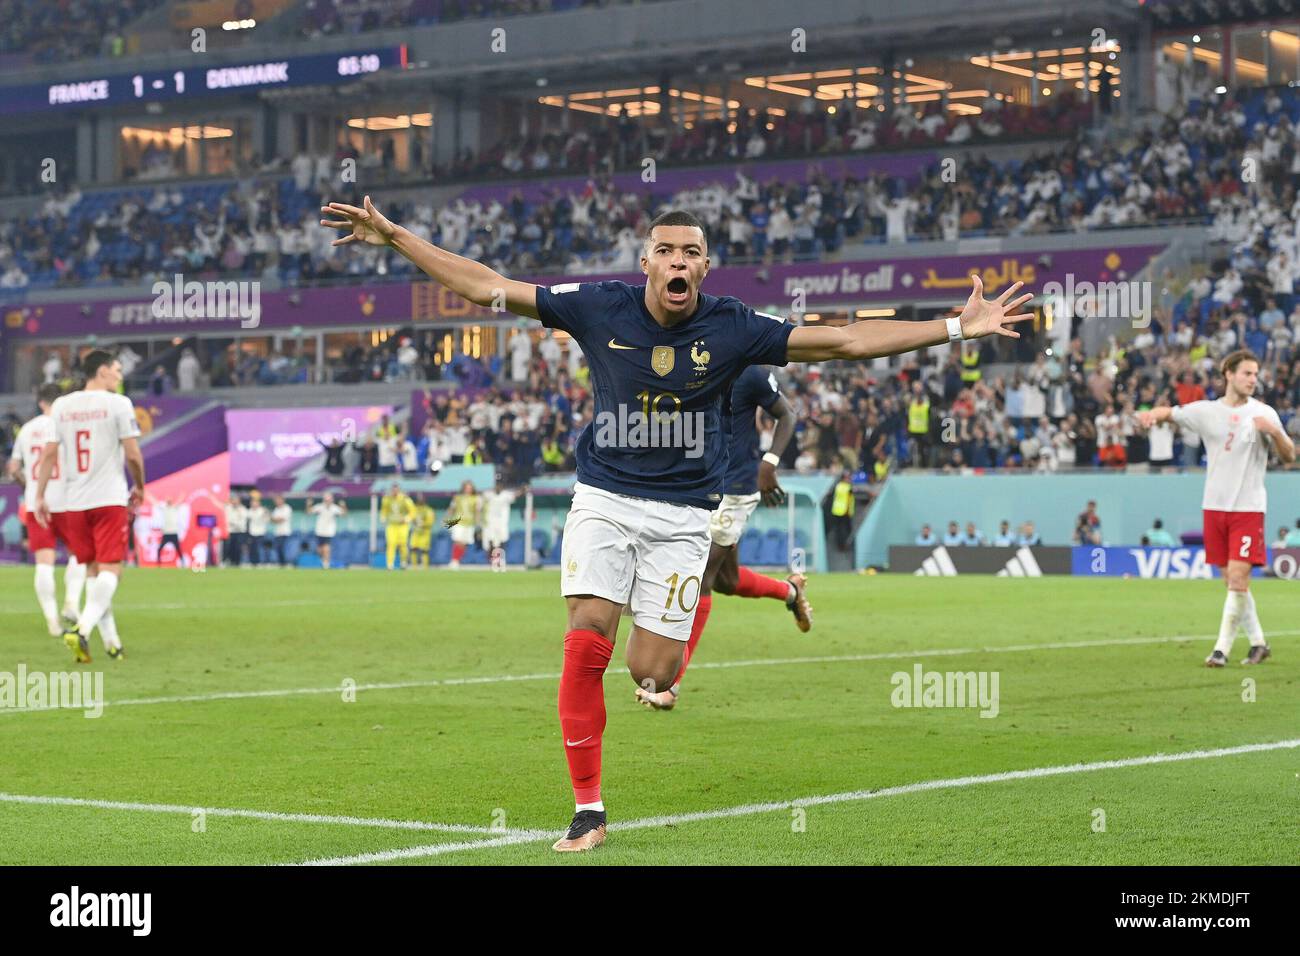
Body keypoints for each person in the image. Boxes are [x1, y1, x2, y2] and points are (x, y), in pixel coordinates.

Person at [319, 196, 1031, 852]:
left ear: (706, 266)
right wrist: (393, 234)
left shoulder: (735, 329)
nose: (678, 262)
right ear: (648, 262)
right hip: (604, 497)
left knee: (651, 670)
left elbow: (843, 344)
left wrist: (952, 327)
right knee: (586, 634)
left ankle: (664, 618)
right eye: (666, 250)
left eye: (691, 251)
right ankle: (589, 811)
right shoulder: (599, 307)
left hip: (685, 515)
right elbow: (486, 287)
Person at [637, 364, 810, 711]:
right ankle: (791, 591)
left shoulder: (749, 371)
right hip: (701, 486)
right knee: (727, 580)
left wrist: (769, 464)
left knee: (701, 577)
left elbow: (787, 415)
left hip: (736, 490)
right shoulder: (689, 365)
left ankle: (671, 685)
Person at [1138, 350, 1296, 666]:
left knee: (1238, 580)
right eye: (1247, 373)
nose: (1253, 379)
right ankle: (1259, 643)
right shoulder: (1207, 411)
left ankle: (1220, 650)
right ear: (1229, 374)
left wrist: (1276, 433)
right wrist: (1151, 415)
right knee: (1232, 583)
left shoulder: (1263, 413)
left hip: (1248, 510)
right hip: (1213, 508)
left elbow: (1290, 456)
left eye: (1255, 374)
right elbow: (1171, 413)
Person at [34, 351, 144, 663]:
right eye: (117, 369)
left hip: (73, 503)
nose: (120, 376)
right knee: (112, 570)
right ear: (102, 370)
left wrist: (39, 496)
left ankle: (112, 644)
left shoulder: (63, 406)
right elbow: (133, 455)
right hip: (108, 498)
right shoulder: (118, 404)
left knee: (96, 573)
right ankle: (82, 629)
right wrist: (140, 485)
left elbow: (49, 454)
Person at [7, 383, 86, 636]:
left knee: (44, 563)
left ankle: (52, 621)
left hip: (36, 502)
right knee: (79, 555)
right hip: (66, 500)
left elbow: (13, 468)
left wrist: (29, 487)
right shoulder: (66, 425)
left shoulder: (27, 430)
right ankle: (72, 602)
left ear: (41, 402)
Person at [480, 482, 516, 571]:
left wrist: (523, 489)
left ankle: (501, 562)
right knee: (491, 543)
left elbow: (515, 495)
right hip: (490, 523)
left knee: (502, 543)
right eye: (497, 485)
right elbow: (480, 495)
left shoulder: (507, 495)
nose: (498, 487)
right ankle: (495, 562)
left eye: (500, 485)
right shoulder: (488, 494)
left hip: (502, 523)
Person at [380, 481, 416, 570]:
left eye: (396, 490)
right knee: (391, 544)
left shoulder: (405, 499)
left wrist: (407, 518)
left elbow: (413, 511)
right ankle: (390, 564)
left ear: (399, 490)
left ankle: (403, 562)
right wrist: (383, 517)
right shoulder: (387, 499)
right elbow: (384, 510)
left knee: (402, 544)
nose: (394, 492)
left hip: (402, 525)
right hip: (391, 525)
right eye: (393, 490)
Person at [446, 480, 481, 568]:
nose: (468, 490)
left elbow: (477, 511)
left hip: (469, 523)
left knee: (464, 543)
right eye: (466, 488)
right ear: (463, 488)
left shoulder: (475, 498)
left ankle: (456, 560)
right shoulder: (457, 497)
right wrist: (446, 519)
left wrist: (478, 523)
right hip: (458, 521)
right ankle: (454, 560)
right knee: (458, 540)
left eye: (470, 488)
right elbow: (452, 508)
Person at [308, 493, 347, 568]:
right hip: (319, 531)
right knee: (319, 550)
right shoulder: (319, 506)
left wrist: (343, 506)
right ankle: (324, 561)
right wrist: (309, 504)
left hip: (329, 532)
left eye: (329, 500)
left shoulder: (335, 508)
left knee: (326, 548)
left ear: (332, 500)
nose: (327, 501)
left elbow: (344, 514)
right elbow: (309, 512)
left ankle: (326, 564)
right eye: (326, 500)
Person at [829, 468, 855, 552]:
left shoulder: (838, 486)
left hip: (836, 510)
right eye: (848, 478)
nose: (849, 479)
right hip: (844, 511)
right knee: (845, 530)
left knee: (839, 530)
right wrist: (849, 512)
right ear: (844, 478)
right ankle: (843, 545)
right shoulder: (847, 487)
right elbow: (848, 500)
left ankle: (841, 545)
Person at [409, 493, 437, 568]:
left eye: (421, 498)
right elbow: (411, 518)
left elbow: (431, 521)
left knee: (424, 550)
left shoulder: (428, 510)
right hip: (416, 532)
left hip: (425, 532)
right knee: (413, 548)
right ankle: (414, 566)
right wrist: (414, 521)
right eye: (418, 498)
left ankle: (425, 567)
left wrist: (423, 524)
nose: (420, 500)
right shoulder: (414, 509)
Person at [156, 497, 184, 564]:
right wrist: (149, 496)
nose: (169, 502)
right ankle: (158, 563)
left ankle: (183, 562)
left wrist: (183, 495)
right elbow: (155, 502)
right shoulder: (164, 509)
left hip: (173, 532)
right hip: (166, 533)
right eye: (168, 501)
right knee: (159, 549)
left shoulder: (174, 508)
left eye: (170, 501)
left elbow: (180, 501)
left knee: (178, 548)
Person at [246, 491, 270, 566]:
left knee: (261, 549)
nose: (253, 504)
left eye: (255, 502)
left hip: (261, 532)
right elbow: (247, 520)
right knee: (252, 549)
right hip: (252, 532)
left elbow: (267, 520)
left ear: (258, 503)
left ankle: (263, 562)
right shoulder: (249, 511)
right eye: (252, 502)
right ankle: (253, 563)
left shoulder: (263, 510)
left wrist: (266, 514)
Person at [223, 495, 248, 566]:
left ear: (239, 501)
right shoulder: (228, 508)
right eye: (233, 500)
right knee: (229, 547)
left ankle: (237, 562)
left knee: (238, 547)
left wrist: (234, 523)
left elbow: (242, 521)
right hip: (231, 531)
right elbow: (228, 519)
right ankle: (229, 561)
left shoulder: (243, 509)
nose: (235, 502)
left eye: (236, 500)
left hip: (240, 531)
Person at [270, 495, 294, 567]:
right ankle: (281, 563)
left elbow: (281, 519)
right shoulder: (276, 509)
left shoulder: (287, 508)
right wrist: (274, 519)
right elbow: (272, 520)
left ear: (282, 500)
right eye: (276, 500)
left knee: (283, 548)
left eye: (278, 500)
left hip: (285, 532)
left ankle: (285, 563)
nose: (277, 502)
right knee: (278, 548)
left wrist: (275, 519)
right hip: (277, 532)